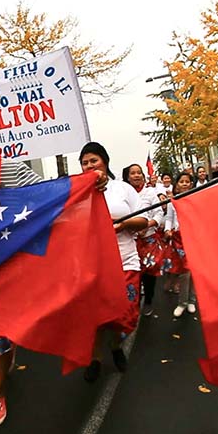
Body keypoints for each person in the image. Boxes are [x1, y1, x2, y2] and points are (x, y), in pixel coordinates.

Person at [0, 117, 106, 427]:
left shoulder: (10, 168)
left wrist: (90, 183)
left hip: (9, 269)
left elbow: (45, 195)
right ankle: (7, 356)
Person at [79, 143, 148, 382]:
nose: (89, 166)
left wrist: (123, 224)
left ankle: (116, 347)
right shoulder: (77, 193)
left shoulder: (123, 189)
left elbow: (144, 220)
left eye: (94, 161)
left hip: (125, 261)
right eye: (85, 162)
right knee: (96, 317)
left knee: (124, 314)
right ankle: (96, 359)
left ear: (105, 163)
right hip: (93, 265)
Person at [122, 164, 164, 316]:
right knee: (134, 273)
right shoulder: (124, 193)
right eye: (132, 173)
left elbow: (159, 213)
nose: (136, 175)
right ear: (127, 177)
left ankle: (148, 300)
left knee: (149, 272)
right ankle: (135, 300)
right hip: (131, 241)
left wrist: (147, 225)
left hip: (149, 239)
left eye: (139, 172)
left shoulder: (150, 193)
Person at [162, 173, 196, 318]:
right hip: (178, 239)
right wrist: (167, 229)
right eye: (181, 182)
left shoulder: (196, 198)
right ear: (176, 185)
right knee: (183, 272)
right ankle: (182, 302)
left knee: (192, 271)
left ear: (191, 184)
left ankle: (191, 300)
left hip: (193, 238)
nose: (184, 184)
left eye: (187, 181)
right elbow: (169, 218)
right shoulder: (172, 202)